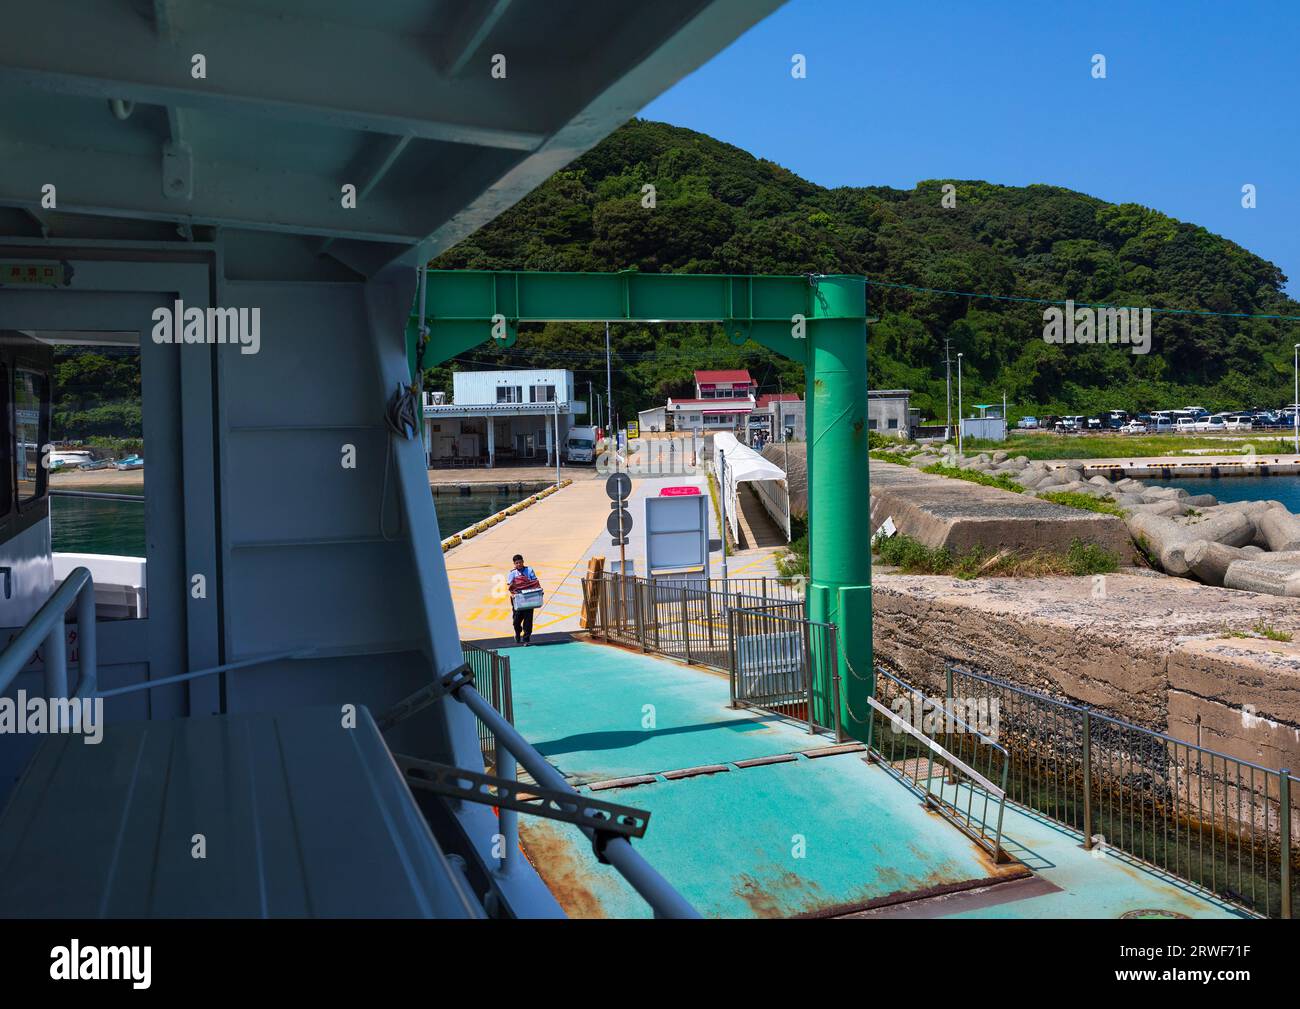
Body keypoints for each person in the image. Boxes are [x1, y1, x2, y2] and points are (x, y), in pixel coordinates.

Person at [506, 553, 542, 644]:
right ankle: (518, 632)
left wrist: (538, 591)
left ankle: (526, 638)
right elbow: (510, 586)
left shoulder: (529, 570)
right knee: (516, 621)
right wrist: (513, 593)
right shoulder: (512, 573)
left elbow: (534, 582)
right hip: (518, 599)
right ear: (514, 564)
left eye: (520, 562)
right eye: (516, 563)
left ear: (523, 562)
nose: (518, 564)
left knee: (528, 620)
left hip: (529, 597)